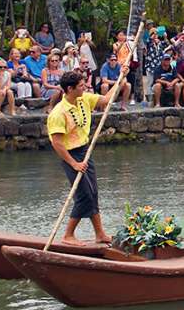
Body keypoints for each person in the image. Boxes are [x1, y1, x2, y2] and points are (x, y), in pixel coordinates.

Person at [47, 70, 127, 246]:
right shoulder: (58, 113)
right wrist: (73, 163)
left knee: (93, 193)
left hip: (85, 151)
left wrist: (120, 79)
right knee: (84, 196)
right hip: (70, 155)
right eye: (81, 86)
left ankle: (100, 234)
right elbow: (57, 143)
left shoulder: (84, 99)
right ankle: (68, 235)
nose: (85, 87)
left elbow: (105, 100)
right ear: (70, 89)